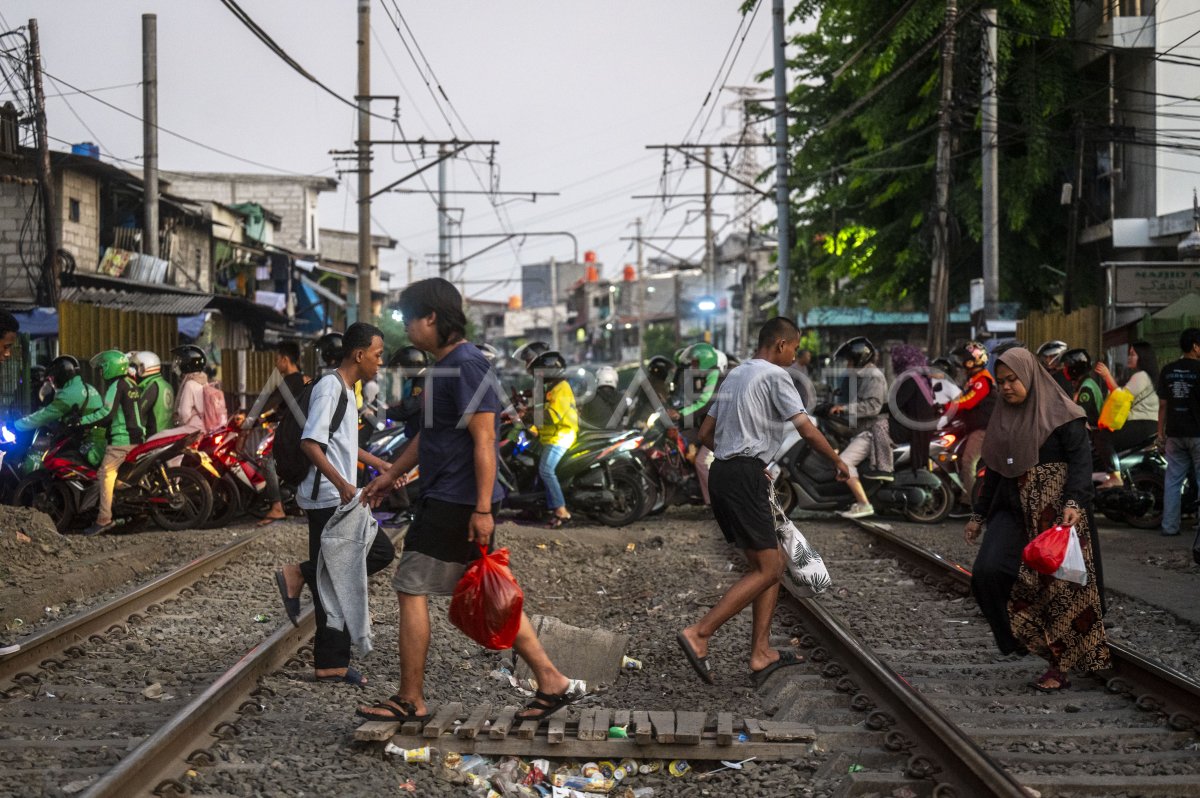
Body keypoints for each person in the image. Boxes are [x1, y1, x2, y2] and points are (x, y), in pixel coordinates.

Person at [357, 278, 585, 725]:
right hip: (448, 496)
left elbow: (485, 441)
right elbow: (430, 436)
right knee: (488, 590)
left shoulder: (466, 366)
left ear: (432, 319)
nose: (405, 330)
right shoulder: (444, 366)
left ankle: (410, 699)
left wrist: (482, 508)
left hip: (458, 500)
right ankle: (550, 679)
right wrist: (391, 474)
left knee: (411, 586)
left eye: (409, 319)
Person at [677, 317, 850, 686]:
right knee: (770, 569)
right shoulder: (775, 375)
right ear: (780, 345)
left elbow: (706, 433)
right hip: (742, 475)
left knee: (772, 560)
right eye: (794, 348)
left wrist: (737, 460)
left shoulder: (734, 375)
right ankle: (700, 634)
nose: (794, 356)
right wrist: (838, 461)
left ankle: (760, 654)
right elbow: (805, 427)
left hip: (725, 472)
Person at [965, 347, 1109, 692]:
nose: (1007, 387)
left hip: (1057, 517)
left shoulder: (1064, 414)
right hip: (1014, 511)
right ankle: (1019, 641)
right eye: (1001, 382)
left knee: (1058, 592)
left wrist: (1075, 501)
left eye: (1013, 379)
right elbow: (997, 471)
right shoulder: (1003, 418)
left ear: (1030, 375)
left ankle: (1059, 668)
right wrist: (979, 515)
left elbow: (1081, 462)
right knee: (987, 572)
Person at [273, 323, 396, 687]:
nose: (380, 362)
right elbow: (311, 443)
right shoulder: (330, 387)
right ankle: (298, 574)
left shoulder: (348, 389)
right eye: (377, 355)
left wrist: (380, 464)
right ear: (358, 355)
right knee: (378, 554)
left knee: (339, 575)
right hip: (328, 497)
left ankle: (331, 664)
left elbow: (340, 441)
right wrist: (343, 484)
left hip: (334, 495)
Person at [80, 350, 146, 536]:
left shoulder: (116, 385)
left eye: (102, 368)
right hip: (138, 438)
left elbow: (106, 413)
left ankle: (103, 519)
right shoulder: (132, 384)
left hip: (121, 441)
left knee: (105, 474)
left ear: (111, 367)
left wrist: (82, 421)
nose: (101, 372)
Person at [828, 336, 889, 518]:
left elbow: (872, 406)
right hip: (861, 429)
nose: (847, 364)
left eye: (849, 360)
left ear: (859, 358)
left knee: (844, 463)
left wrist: (844, 408)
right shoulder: (862, 376)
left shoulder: (873, 377)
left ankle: (864, 504)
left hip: (872, 431)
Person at [14, 355, 105, 465]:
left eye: (52, 378)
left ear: (61, 375)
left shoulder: (70, 394)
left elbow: (45, 415)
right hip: (97, 441)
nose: (52, 383)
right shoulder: (88, 387)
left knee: (52, 466)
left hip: (84, 444)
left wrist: (16, 425)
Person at [253, 341, 307, 526]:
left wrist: (250, 415)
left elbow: (271, 401)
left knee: (267, 460)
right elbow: (282, 409)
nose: (276, 363)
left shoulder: (290, 381)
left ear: (285, 359)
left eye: (277, 359)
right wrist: (260, 420)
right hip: (296, 431)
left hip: (290, 433)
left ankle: (277, 506)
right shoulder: (298, 380)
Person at [1093, 342, 1160, 490]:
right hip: (1149, 425)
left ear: (1142, 357)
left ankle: (1114, 476)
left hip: (1141, 424)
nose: (1129, 357)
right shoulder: (1149, 377)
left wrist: (1107, 376)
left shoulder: (1141, 376)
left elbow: (1120, 398)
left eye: (1132, 354)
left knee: (1102, 437)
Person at [943, 341, 996, 518]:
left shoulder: (983, 380)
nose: (961, 363)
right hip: (973, 428)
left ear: (974, 361)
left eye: (964, 359)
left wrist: (948, 406)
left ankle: (970, 505)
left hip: (983, 430)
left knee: (968, 461)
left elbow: (968, 401)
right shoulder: (972, 379)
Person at [1157, 328, 1200, 538]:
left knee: (1173, 482)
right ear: (1195, 347)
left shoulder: (1168, 370)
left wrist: (1160, 433)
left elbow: (1163, 405)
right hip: (1198, 434)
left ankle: (1169, 527)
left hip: (1174, 433)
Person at [527, 349, 578, 527]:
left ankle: (562, 510)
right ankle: (551, 510)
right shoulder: (553, 388)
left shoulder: (562, 388)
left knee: (546, 470)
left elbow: (552, 415)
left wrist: (529, 414)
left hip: (562, 436)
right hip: (551, 437)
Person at [672, 342, 722, 505]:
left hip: (719, 432)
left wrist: (680, 414)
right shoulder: (703, 377)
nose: (692, 366)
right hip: (707, 428)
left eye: (695, 363)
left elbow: (704, 404)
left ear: (705, 361)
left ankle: (716, 503)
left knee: (701, 461)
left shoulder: (715, 377)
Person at [888, 345, 938, 469]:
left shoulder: (910, 378)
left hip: (914, 429)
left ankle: (883, 469)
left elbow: (896, 404)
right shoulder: (922, 377)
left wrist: (876, 410)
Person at [129, 351, 174, 439]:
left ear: (144, 368)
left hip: (155, 437)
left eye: (135, 367)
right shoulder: (165, 384)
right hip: (167, 434)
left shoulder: (152, 386)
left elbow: (138, 412)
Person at [172, 345, 209, 434]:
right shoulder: (204, 382)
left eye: (180, 361)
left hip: (192, 430)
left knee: (159, 437)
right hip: (205, 427)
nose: (178, 364)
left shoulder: (189, 384)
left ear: (187, 364)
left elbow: (184, 414)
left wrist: (179, 423)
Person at [580, 365, 623, 429]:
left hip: (594, 435)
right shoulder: (621, 398)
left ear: (598, 379)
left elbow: (583, 420)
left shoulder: (590, 398)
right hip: (616, 435)